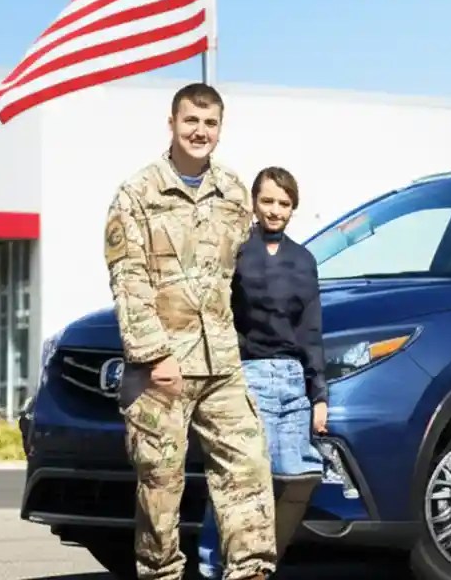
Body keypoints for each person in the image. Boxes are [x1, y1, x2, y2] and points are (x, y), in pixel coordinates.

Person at [104, 82, 277, 580]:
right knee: (160, 488)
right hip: (163, 368)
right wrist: (153, 356)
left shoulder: (233, 193)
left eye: (210, 123)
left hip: (222, 363)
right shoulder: (137, 194)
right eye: (191, 122)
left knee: (247, 475)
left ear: (220, 129)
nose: (200, 132)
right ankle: (160, 574)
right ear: (172, 124)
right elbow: (128, 278)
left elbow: (245, 275)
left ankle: (250, 573)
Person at [199, 166, 327, 579]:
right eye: (268, 201)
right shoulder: (236, 250)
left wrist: (318, 394)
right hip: (245, 378)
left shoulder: (304, 260)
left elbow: (311, 330)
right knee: (236, 484)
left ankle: (259, 564)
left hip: (292, 383)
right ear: (254, 203)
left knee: (301, 476)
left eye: (284, 203)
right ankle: (212, 566)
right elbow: (216, 314)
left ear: (294, 208)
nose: (275, 211)